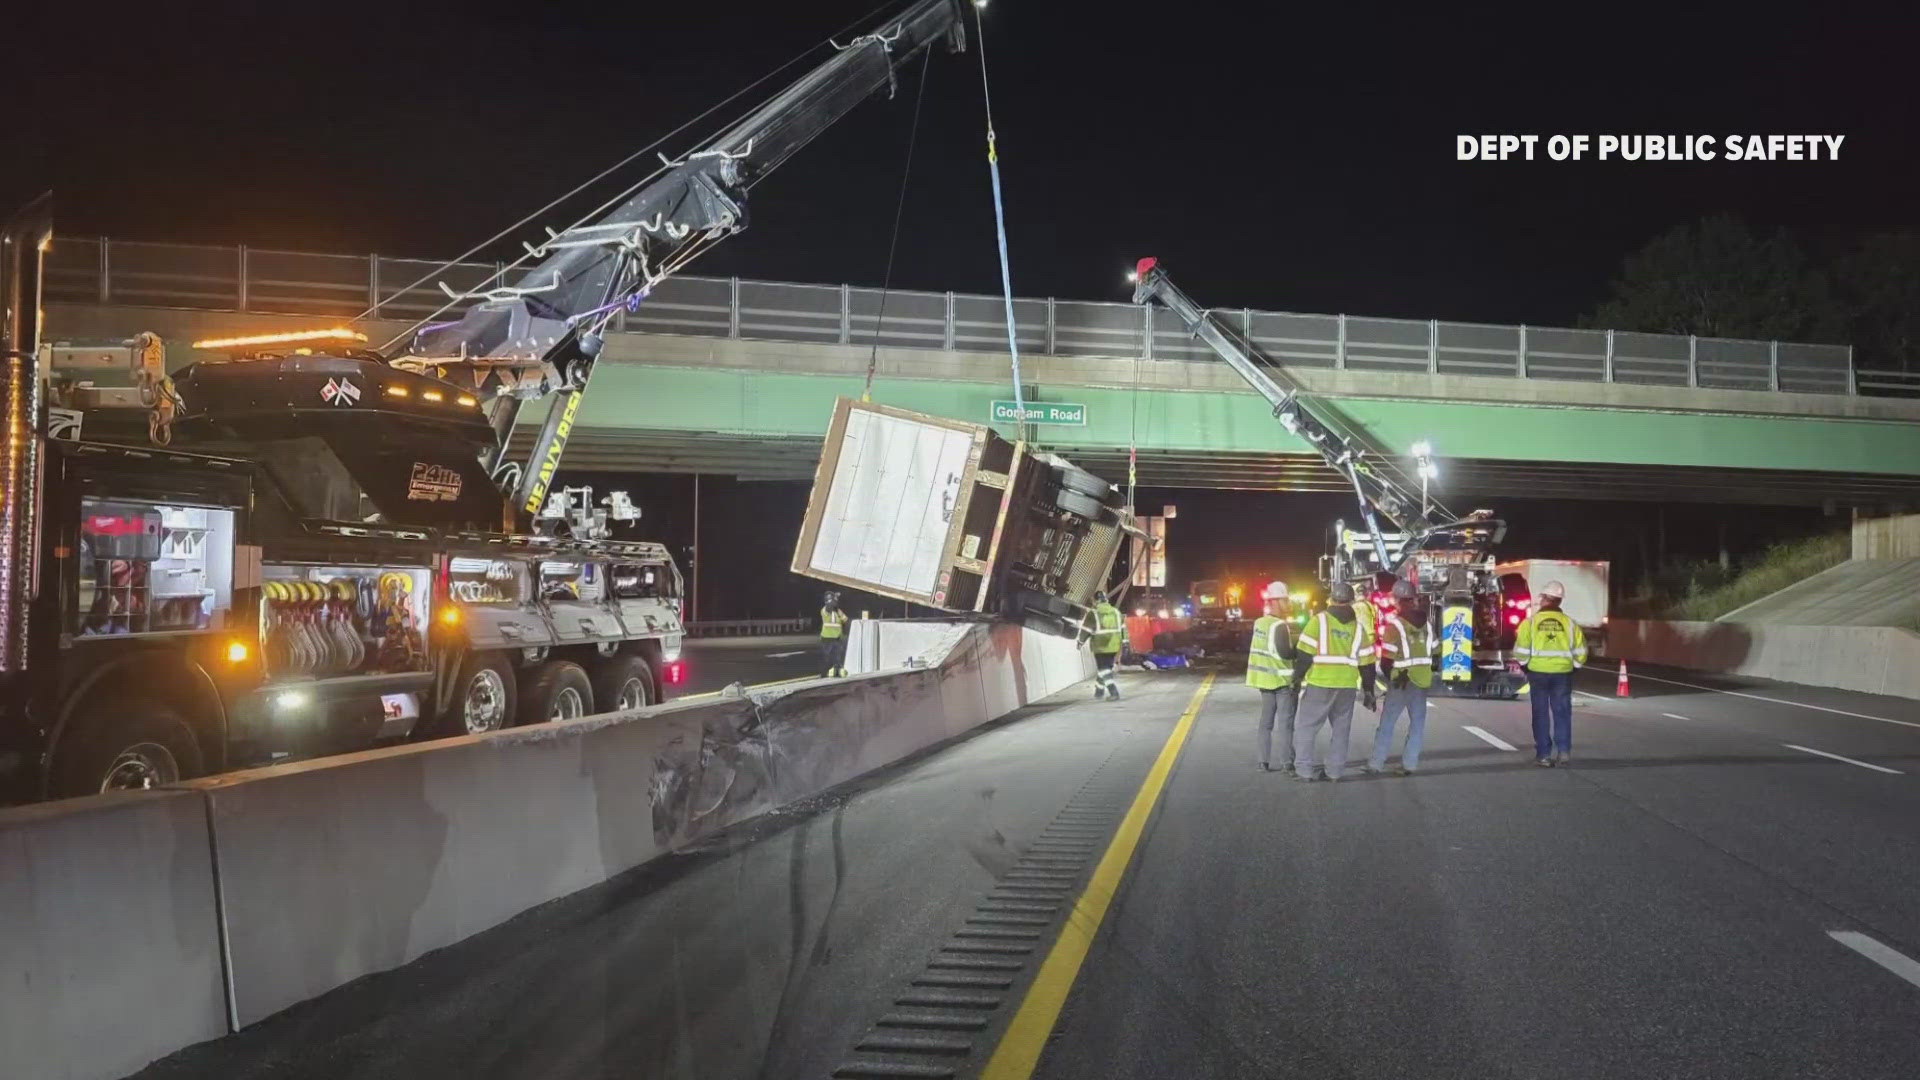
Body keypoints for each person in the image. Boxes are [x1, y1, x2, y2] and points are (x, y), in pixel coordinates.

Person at [1291, 581, 1377, 782]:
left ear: (1331, 599)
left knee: (1307, 727)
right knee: (1341, 729)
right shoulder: (1358, 629)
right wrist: (1369, 691)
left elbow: (1304, 655)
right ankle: (1335, 771)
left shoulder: (1318, 621)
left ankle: (1304, 770)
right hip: (1346, 686)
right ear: (1351, 601)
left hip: (1320, 683)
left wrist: (1296, 678)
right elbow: (1367, 664)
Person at [1366, 579, 1436, 776]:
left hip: (1400, 681)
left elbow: (1386, 661)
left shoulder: (1394, 625)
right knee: (1417, 724)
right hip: (1422, 681)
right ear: (1413, 599)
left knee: (1387, 723)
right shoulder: (1428, 625)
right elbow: (1436, 650)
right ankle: (1410, 764)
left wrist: (1391, 680)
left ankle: (1376, 764)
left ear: (1396, 600)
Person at [1514, 580, 1587, 766]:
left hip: (1537, 673)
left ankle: (1544, 755)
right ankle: (1563, 751)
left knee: (1540, 713)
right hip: (1562, 674)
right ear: (1559, 601)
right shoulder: (1570, 624)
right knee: (1562, 712)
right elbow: (1581, 652)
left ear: (1545, 598)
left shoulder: (1530, 623)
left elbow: (1521, 650)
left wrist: (1525, 666)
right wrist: (1574, 667)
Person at [1247, 581, 1297, 772]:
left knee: (1265, 722)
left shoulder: (1259, 623)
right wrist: (1299, 652)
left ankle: (1263, 761)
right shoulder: (1279, 626)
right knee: (1285, 723)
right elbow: (1285, 653)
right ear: (1276, 601)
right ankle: (1286, 762)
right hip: (1281, 682)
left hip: (1263, 680)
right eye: (1285, 600)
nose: (1288, 604)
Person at [1090, 590, 1125, 700]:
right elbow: (1124, 628)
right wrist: (1125, 642)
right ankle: (1099, 690)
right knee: (1105, 668)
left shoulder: (1094, 613)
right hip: (1114, 645)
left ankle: (1113, 692)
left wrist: (1080, 642)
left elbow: (1086, 630)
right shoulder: (1116, 612)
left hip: (1100, 646)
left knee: (1104, 669)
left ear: (1096, 601)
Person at [818, 591, 849, 677]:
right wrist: (833, 597)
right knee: (826, 659)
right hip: (827, 638)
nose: (836, 602)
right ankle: (823, 675)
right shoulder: (824, 610)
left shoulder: (838, 611)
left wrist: (845, 634)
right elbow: (829, 606)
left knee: (837, 659)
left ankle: (836, 674)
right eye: (833, 600)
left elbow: (845, 620)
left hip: (837, 638)